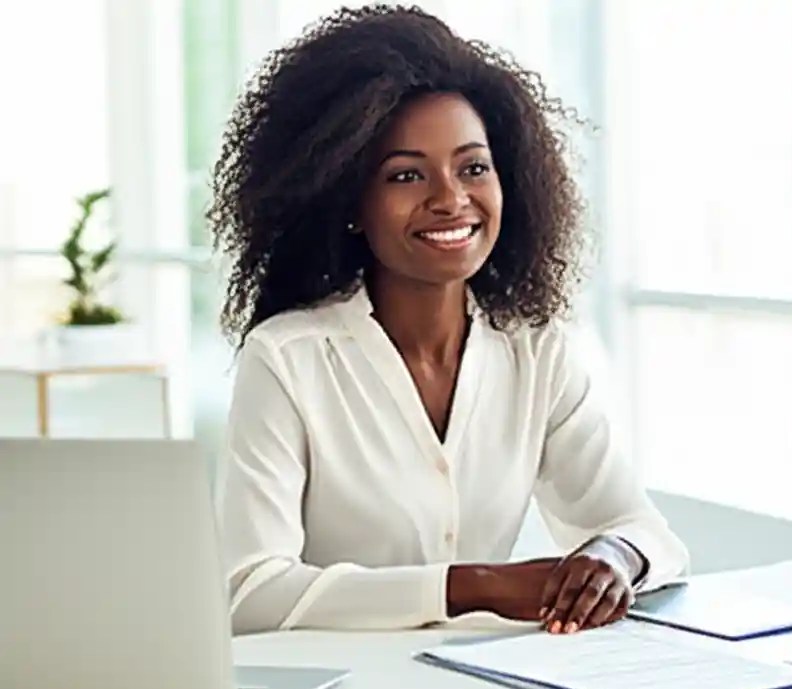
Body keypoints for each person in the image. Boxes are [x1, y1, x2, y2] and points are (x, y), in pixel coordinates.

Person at [210, 5, 688, 635]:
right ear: (350, 201)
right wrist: (472, 586)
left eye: (473, 167)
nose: (450, 198)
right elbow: (249, 592)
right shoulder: (287, 358)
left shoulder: (535, 349)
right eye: (407, 174)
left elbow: (648, 533)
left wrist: (614, 557)